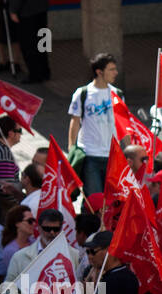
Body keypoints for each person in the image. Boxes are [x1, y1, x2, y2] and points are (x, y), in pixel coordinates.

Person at [68, 53, 121, 198]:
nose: (115, 73)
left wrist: (126, 151)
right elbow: (75, 121)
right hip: (90, 155)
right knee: (94, 199)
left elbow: (123, 125)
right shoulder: (83, 93)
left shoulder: (117, 94)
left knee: (112, 199)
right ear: (99, 72)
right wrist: (72, 148)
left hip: (112, 155)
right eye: (111, 69)